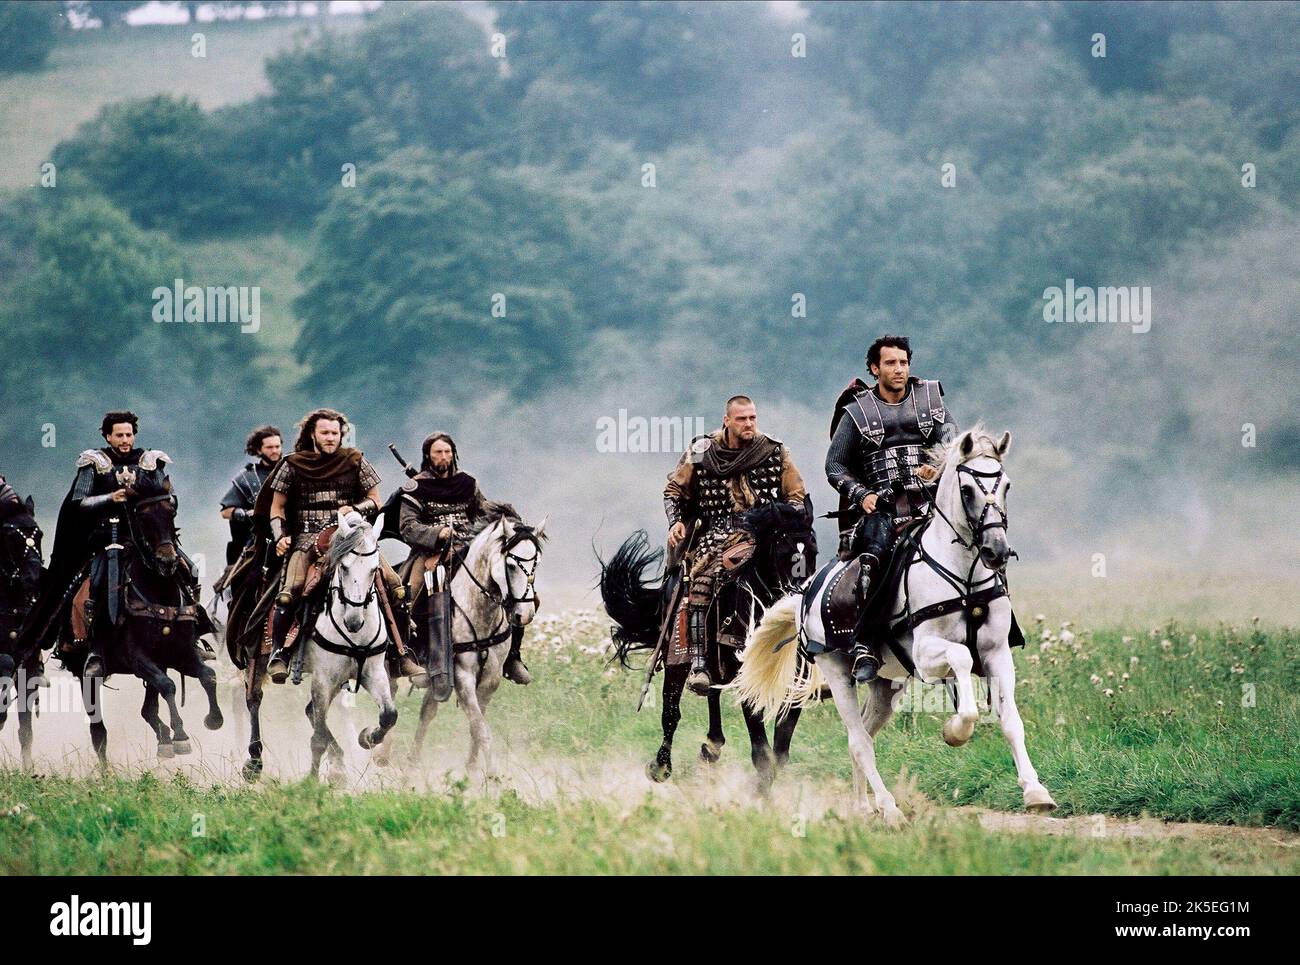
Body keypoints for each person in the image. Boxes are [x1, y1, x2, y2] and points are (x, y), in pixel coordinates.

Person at [826, 334, 959, 681]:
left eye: (903, 363)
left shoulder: (930, 401)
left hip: (928, 502)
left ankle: (991, 624)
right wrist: (861, 495)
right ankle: (865, 644)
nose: (898, 369)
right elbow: (835, 466)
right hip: (883, 509)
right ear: (874, 368)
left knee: (974, 540)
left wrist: (939, 462)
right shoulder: (856, 412)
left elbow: (951, 439)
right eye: (890, 363)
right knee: (873, 556)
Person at [663, 396, 806, 695]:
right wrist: (675, 521)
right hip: (718, 534)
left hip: (766, 534)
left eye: (753, 418)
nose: (749, 424)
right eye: (742, 419)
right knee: (701, 581)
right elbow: (675, 490)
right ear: (727, 421)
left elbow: (796, 495)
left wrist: (784, 521)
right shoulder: (702, 453)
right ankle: (700, 663)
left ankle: (806, 659)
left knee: (800, 581)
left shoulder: (774, 451)